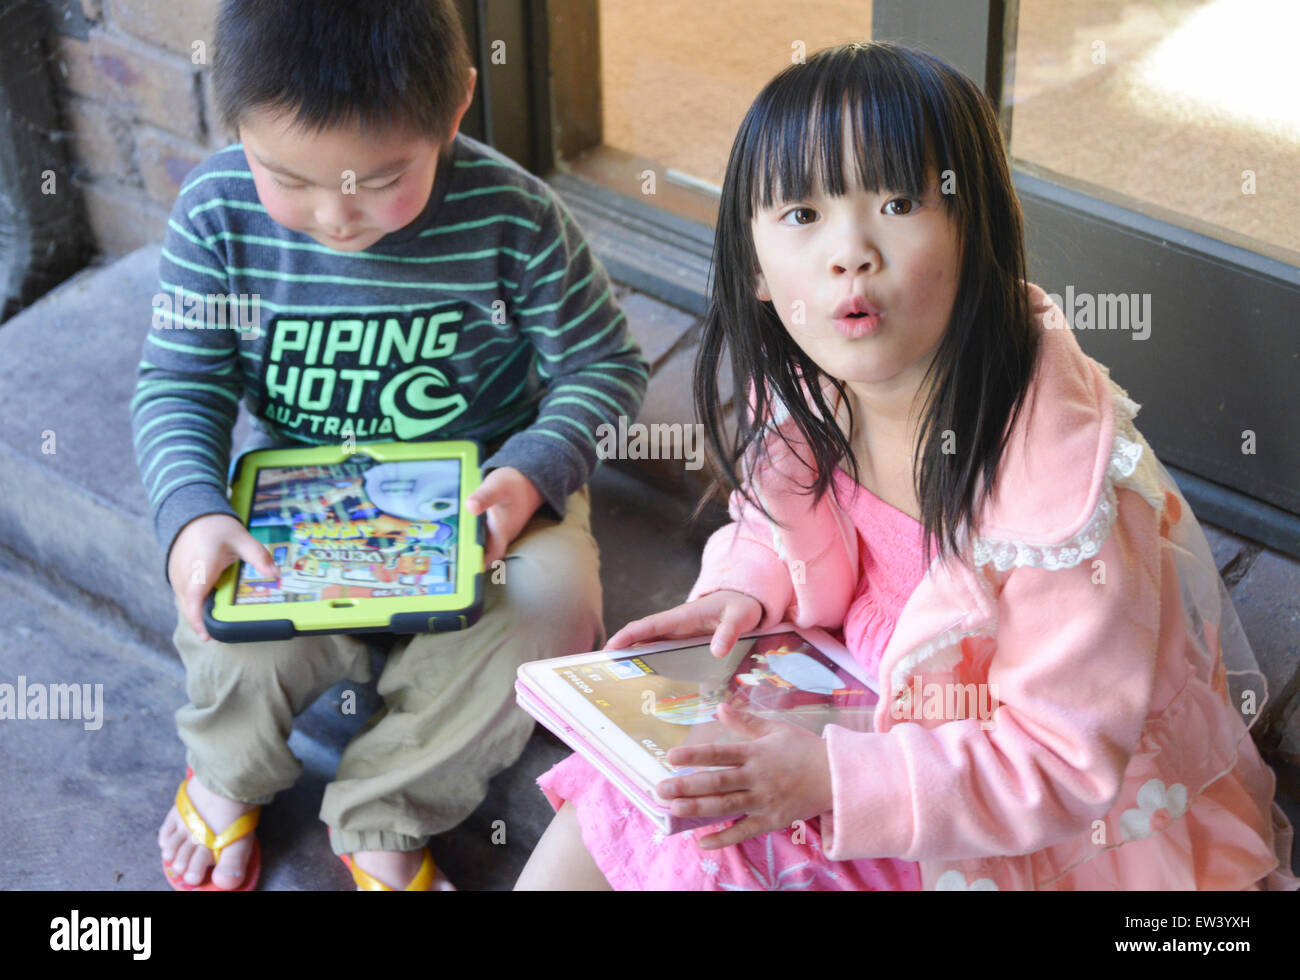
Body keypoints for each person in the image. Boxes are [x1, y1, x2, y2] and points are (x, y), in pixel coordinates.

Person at [516, 41, 1298, 891]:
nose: (850, 252)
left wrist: (832, 779)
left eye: (896, 201)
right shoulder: (818, 387)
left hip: (994, 798)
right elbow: (771, 519)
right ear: (756, 271)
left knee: (738, 839)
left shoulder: (1059, 502)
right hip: (849, 696)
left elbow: (1057, 761)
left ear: (980, 233)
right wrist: (738, 591)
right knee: (627, 795)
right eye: (802, 215)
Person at [135, 0, 645, 891]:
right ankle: (226, 770)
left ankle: (387, 806)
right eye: (287, 175)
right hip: (296, 508)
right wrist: (192, 515)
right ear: (236, 124)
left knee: (551, 607)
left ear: (454, 113)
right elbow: (181, 384)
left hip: (486, 498)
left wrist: (531, 474)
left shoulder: (513, 216)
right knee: (226, 619)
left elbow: (605, 363)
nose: (336, 214)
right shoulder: (217, 214)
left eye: (378, 178)